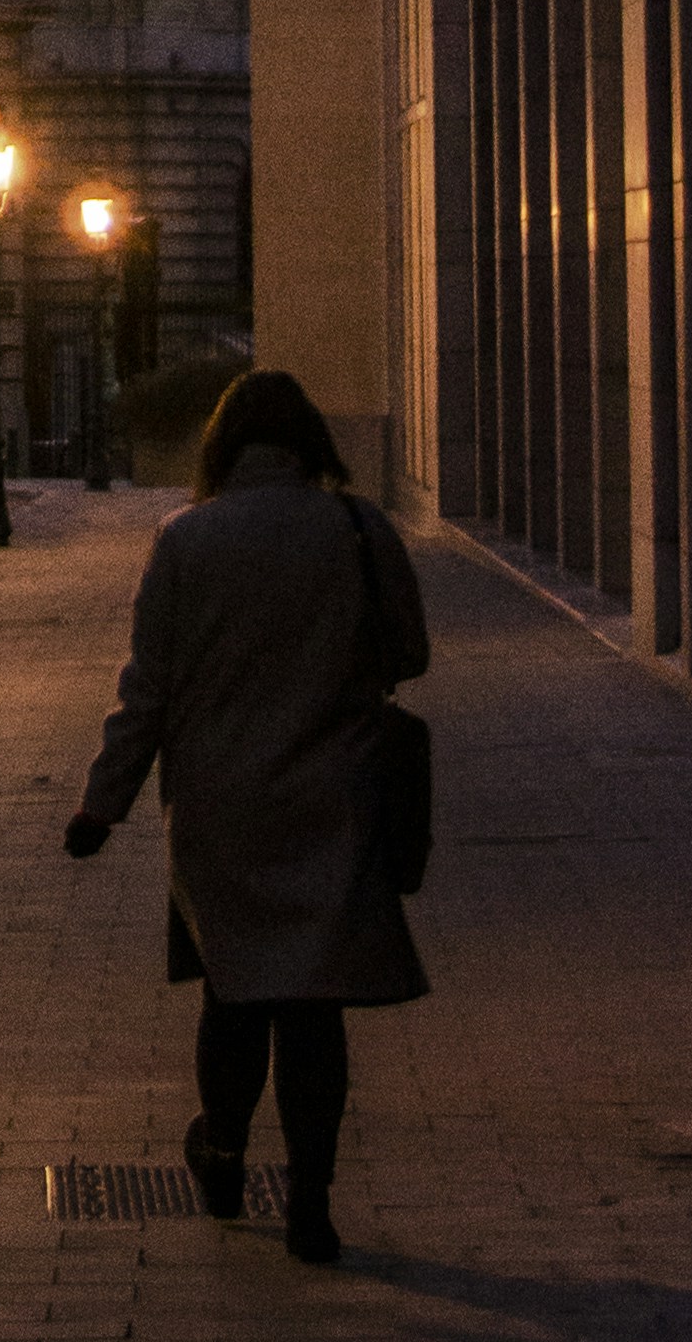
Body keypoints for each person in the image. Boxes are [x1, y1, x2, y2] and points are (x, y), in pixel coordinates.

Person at [61, 363, 427, 1266]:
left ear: (221, 445)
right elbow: (408, 652)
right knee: (313, 1008)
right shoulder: (356, 526)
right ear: (310, 442)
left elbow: (147, 688)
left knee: (234, 994)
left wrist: (100, 805)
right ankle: (311, 1197)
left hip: (221, 808)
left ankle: (222, 1147)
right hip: (331, 798)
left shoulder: (185, 538)